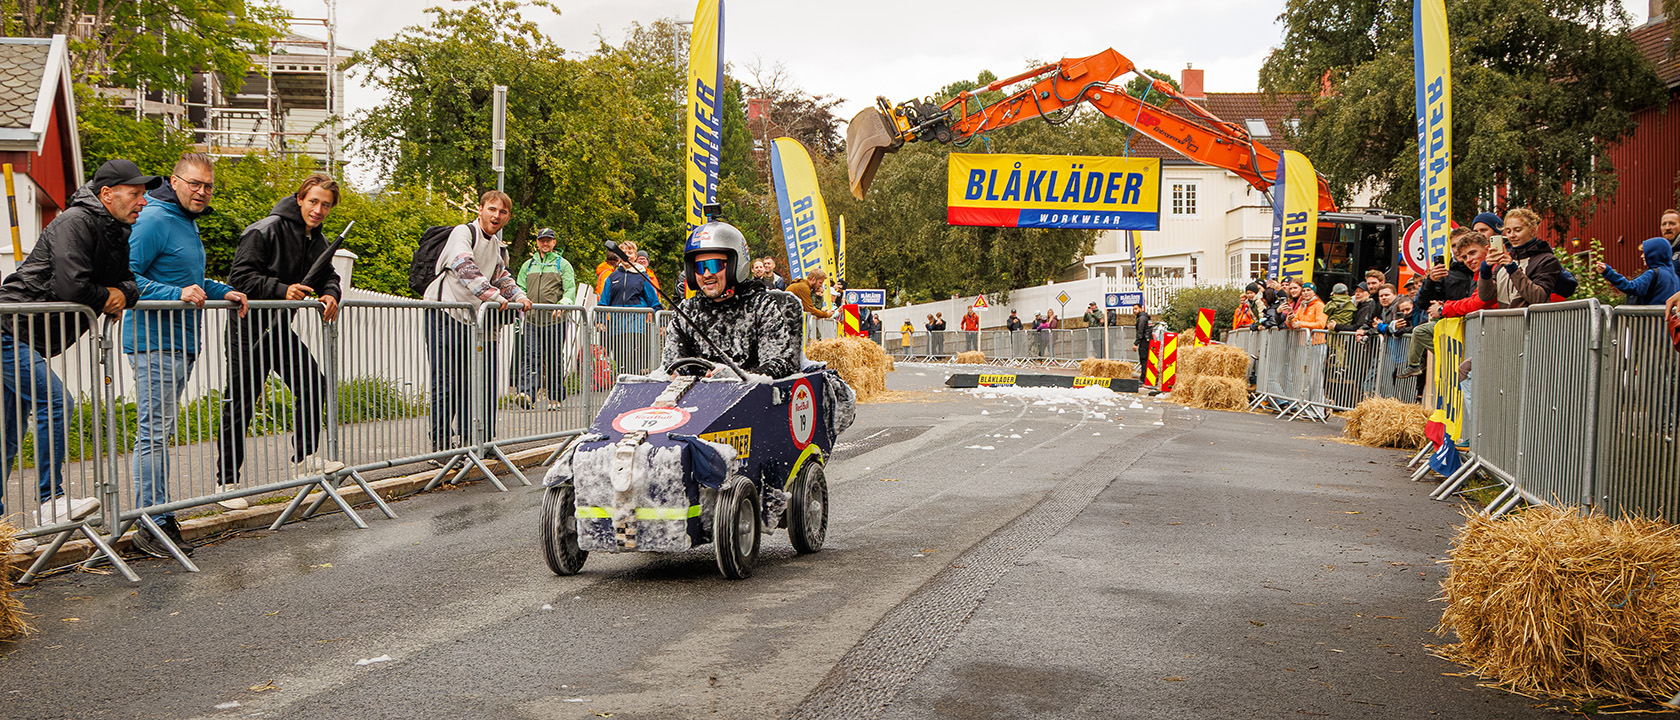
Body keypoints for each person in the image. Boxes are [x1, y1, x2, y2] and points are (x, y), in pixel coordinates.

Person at [0, 159, 149, 552]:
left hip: (27, 337)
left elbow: (129, 283)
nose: (143, 201)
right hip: (8, 329)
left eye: (144, 194)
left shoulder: (116, 230)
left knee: (8, 437)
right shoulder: (75, 222)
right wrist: (108, 297)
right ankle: (51, 502)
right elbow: (72, 285)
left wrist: (121, 294)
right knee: (55, 402)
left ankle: (1, 534)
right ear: (107, 194)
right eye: (135, 193)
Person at [124, 154, 252, 559]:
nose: (202, 191)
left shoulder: (184, 222)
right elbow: (126, 277)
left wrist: (222, 290)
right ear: (175, 181)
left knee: (161, 433)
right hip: (152, 342)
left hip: (180, 342)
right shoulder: (154, 219)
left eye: (208, 185)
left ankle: (159, 517)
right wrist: (174, 294)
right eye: (195, 183)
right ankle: (151, 522)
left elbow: (188, 281)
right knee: (154, 434)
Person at [218, 173, 346, 493]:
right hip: (247, 327)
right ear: (300, 198)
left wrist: (331, 293)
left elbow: (328, 275)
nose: (318, 210)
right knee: (242, 401)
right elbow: (240, 278)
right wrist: (281, 289)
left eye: (326, 205)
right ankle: (227, 482)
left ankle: (305, 457)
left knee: (313, 383)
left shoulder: (317, 239)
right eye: (314, 201)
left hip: (278, 328)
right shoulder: (264, 229)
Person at [423, 190, 531, 454]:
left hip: (474, 320)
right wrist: (492, 295)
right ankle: (442, 447)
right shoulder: (463, 232)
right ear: (480, 209)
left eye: (503, 212)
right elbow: (464, 265)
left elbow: (500, 274)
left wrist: (518, 294)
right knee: (447, 382)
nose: (496, 216)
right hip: (445, 313)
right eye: (492, 209)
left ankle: (478, 442)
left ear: (508, 217)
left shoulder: (495, 244)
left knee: (480, 382)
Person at [661, 220, 803, 378]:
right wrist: (672, 376)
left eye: (714, 265)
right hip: (694, 399)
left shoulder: (759, 306)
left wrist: (737, 378)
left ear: (735, 265)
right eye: (699, 267)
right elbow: (671, 366)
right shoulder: (687, 311)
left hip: (753, 398)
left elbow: (779, 362)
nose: (707, 274)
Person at [1397, 228, 1485, 379]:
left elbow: (1477, 302)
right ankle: (1430, 360)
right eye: (1454, 246)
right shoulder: (1445, 273)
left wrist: (1444, 308)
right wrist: (1430, 281)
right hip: (1453, 330)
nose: (1459, 250)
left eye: (1469, 251)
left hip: (1478, 331)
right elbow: (1422, 303)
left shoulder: (1483, 270)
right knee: (1421, 331)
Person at [514, 228, 577, 407]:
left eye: (549, 240)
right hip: (532, 319)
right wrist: (521, 300)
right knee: (530, 356)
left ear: (554, 243)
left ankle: (555, 397)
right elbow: (520, 286)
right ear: (537, 243)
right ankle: (527, 395)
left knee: (553, 358)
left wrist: (564, 304)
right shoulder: (528, 265)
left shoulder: (562, 264)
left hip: (555, 320)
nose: (545, 243)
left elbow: (570, 288)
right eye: (542, 240)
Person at [1478, 207, 1563, 309]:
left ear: (1533, 231)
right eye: (1508, 231)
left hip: (1532, 323)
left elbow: (1538, 298)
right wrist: (1485, 271)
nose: (1512, 235)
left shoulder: (1547, 260)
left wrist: (1513, 269)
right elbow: (1486, 296)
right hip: (1504, 323)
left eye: (1517, 230)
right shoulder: (1505, 260)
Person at [600, 239, 661, 375]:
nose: (627, 255)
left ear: (635, 256)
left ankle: (635, 391)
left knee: (634, 362)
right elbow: (603, 302)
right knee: (620, 361)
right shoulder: (612, 277)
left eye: (630, 252)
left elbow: (654, 301)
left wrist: (661, 323)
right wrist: (600, 321)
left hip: (636, 326)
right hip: (616, 327)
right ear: (618, 255)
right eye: (624, 252)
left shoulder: (642, 276)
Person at [1597, 238, 1680, 307]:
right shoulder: (1675, 277)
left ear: (1654, 254)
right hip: (1668, 323)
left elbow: (1630, 287)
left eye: (1645, 253)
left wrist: (1608, 272)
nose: (1642, 256)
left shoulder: (1652, 273)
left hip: (1651, 324)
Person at [1133, 303, 1151, 371]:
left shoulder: (1141, 319)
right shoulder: (1146, 317)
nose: (1134, 311)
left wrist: (1136, 343)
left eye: (1136, 309)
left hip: (1144, 341)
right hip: (1148, 340)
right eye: (1133, 309)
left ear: (1140, 309)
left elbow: (1140, 332)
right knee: (1148, 359)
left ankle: (1144, 377)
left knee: (1143, 360)